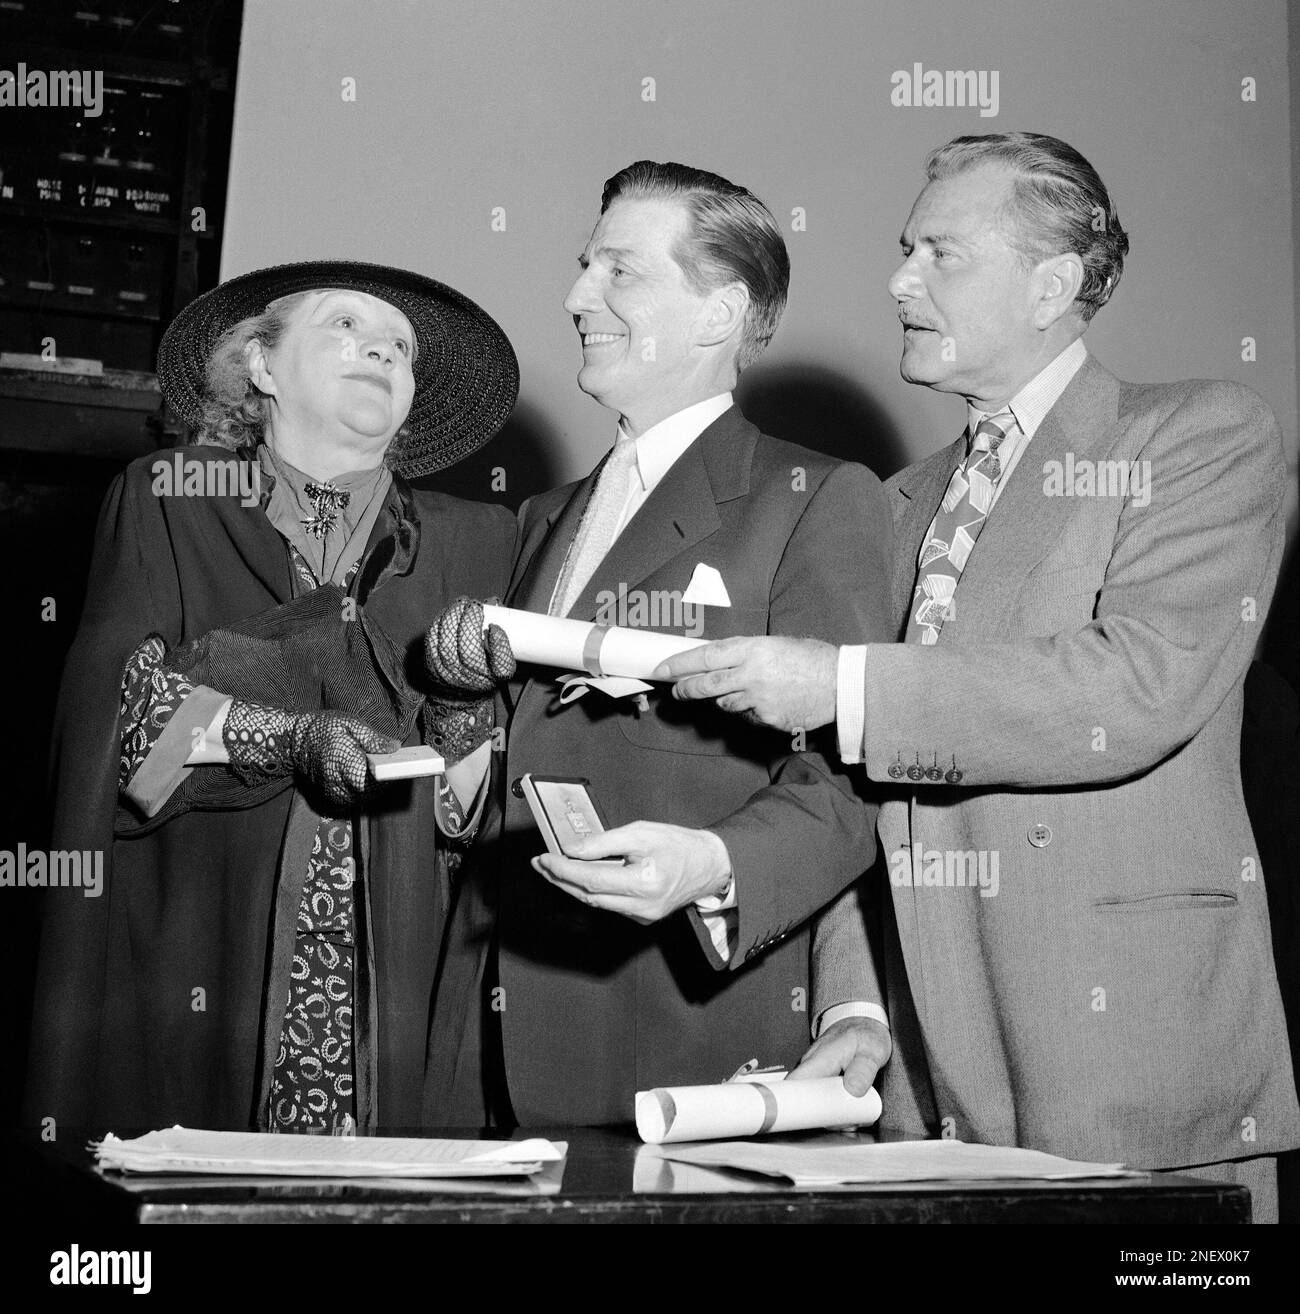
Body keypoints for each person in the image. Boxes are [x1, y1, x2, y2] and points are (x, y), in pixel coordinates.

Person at [657, 133, 1300, 1218]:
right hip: (925, 1097)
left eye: (939, 253)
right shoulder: (899, 502)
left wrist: (844, 686)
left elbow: (1138, 686)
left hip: (1135, 1076)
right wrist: (855, 1013)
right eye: (905, 249)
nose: (899, 280)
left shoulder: (1196, 434)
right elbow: (868, 808)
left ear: (1050, 285)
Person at [426, 161, 893, 1126]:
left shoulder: (813, 500)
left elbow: (846, 789)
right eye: (583, 267)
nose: (574, 298)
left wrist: (715, 865)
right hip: (488, 1041)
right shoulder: (541, 516)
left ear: (720, 314)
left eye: (618, 272)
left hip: (678, 1039)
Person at [24, 260, 519, 1133]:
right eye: (342, 325)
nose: (380, 349)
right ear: (259, 364)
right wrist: (283, 738)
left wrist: (467, 710)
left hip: (400, 983)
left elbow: (482, 811)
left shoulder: (477, 541)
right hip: (200, 951)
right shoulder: (168, 499)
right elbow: (117, 728)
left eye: (399, 346)